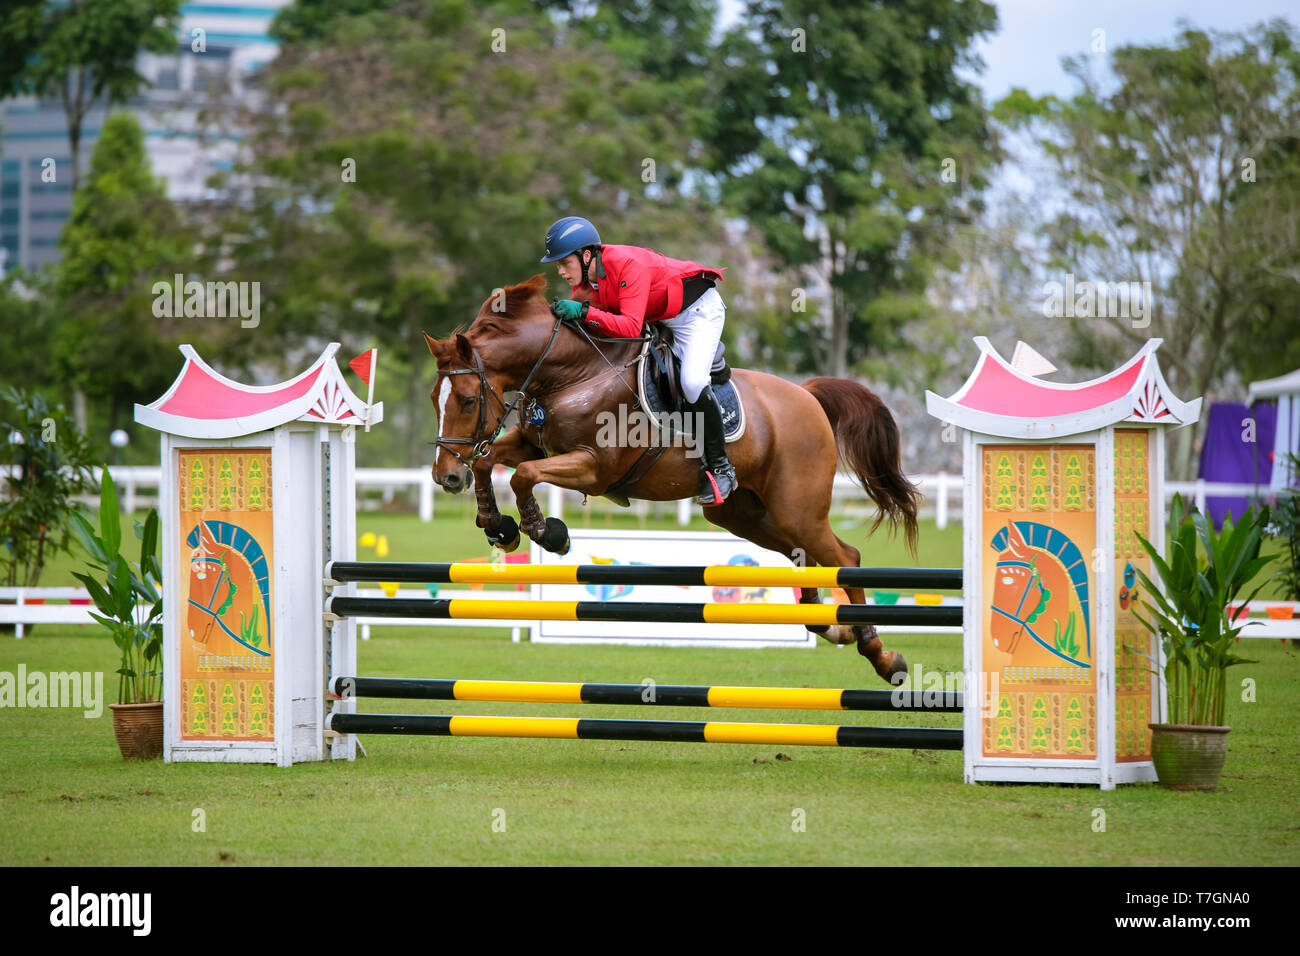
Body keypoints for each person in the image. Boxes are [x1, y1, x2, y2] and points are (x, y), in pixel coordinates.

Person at [541, 216, 737, 505]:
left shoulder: (627, 264)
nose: (560, 271)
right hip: (664, 318)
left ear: (586, 256)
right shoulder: (586, 282)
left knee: (693, 383)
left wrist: (582, 313)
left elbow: (630, 327)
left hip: (697, 314)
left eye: (564, 263)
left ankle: (721, 467)